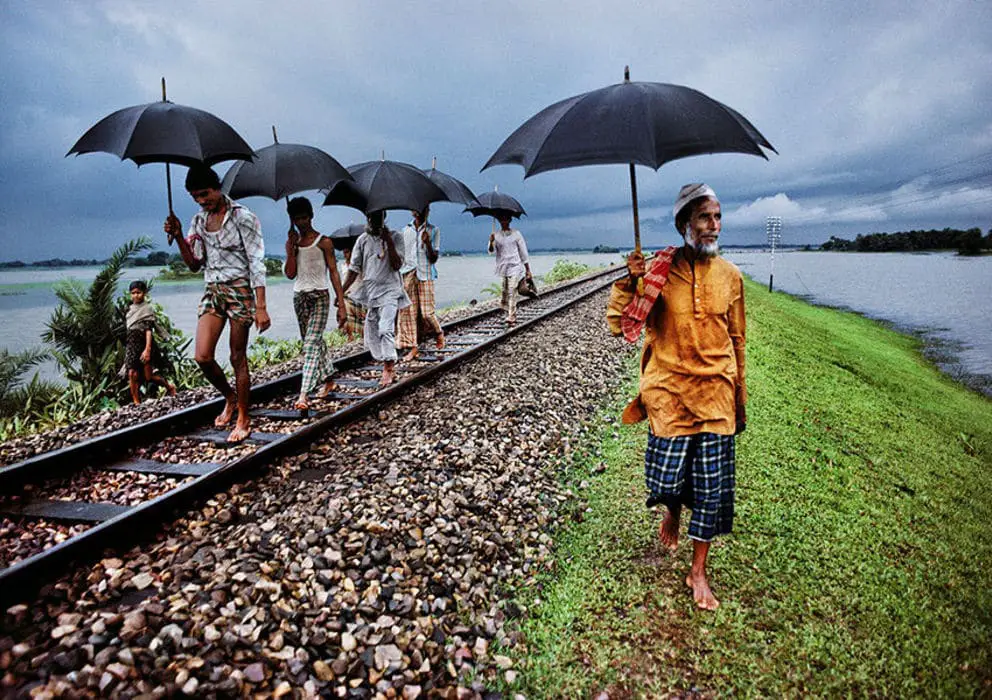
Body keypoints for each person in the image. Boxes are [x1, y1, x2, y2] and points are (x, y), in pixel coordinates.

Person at [606, 183, 747, 611]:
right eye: (705, 218)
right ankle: (671, 508)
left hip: (716, 394)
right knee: (666, 480)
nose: (714, 226)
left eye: (718, 217)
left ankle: (698, 571)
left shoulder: (731, 276)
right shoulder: (657, 274)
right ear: (685, 223)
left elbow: (737, 339)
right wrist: (631, 281)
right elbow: (618, 325)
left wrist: (739, 393)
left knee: (711, 490)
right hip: (669, 392)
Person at [164, 164, 270, 443]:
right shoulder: (198, 222)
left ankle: (244, 416)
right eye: (195, 197)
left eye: (205, 194)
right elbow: (194, 265)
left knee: (237, 357)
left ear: (218, 188)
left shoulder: (243, 217)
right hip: (213, 289)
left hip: (239, 290)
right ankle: (230, 396)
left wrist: (261, 306)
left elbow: (257, 262)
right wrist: (178, 238)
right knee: (203, 356)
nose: (201, 200)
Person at [283, 197, 347, 410]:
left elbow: (334, 272)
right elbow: (290, 273)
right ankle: (329, 380)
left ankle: (304, 394)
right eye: (297, 218)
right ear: (292, 219)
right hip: (299, 296)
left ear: (311, 216)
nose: (301, 222)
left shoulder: (324, 241)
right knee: (315, 341)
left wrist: (342, 302)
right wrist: (291, 248)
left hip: (320, 296)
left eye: (304, 217)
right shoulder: (292, 242)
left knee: (310, 344)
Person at [341, 211, 409, 386]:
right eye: (372, 217)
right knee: (372, 331)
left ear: (384, 217)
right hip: (371, 292)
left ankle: (388, 367)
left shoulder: (396, 236)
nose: (375, 220)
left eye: (379, 217)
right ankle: (386, 360)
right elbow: (354, 269)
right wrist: (341, 292)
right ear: (367, 218)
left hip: (391, 290)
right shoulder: (362, 240)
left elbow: (397, 264)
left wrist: (388, 241)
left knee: (386, 328)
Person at [395, 205, 445, 360]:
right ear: (412, 211)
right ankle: (413, 346)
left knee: (426, 312)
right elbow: (401, 256)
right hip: (408, 273)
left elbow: (434, 258)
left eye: (423, 209)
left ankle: (438, 332)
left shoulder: (434, 230)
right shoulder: (405, 231)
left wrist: (428, 242)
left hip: (426, 273)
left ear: (427, 211)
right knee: (408, 312)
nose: (418, 211)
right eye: (416, 208)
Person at [123, 280, 176, 404]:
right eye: (133, 293)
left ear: (144, 293)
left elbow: (148, 331)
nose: (136, 295)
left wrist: (147, 350)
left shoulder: (147, 309)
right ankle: (136, 401)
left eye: (138, 292)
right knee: (131, 373)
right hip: (132, 344)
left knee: (149, 377)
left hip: (144, 344)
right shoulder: (129, 309)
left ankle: (169, 387)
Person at [488, 212, 533, 325]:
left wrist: (528, 269)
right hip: (503, 267)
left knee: (512, 290)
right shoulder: (496, 235)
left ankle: (511, 316)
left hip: (515, 266)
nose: (503, 222)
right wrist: (491, 241)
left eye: (505, 220)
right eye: (501, 220)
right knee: (506, 291)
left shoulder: (516, 234)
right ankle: (510, 312)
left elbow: (523, 252)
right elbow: (491, 250)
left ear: (509, 220)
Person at [335, 237, 366, 342]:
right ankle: (350, 339)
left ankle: (359, 340)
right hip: (348, 295)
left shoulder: (360, 265)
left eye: (347, 252)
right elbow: (343, 282)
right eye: (344, 252)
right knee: (346, 319)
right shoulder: (343, 266)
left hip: (360, 296)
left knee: (361, 322)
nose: (345, 255)